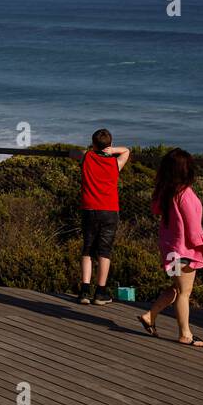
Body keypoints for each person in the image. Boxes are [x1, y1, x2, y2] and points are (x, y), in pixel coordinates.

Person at [139, 148, 203, 347]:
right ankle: (185, 334)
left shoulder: (165, 191)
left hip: (170, 249)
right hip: (184, 252)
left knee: (176, 287)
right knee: (184, 292)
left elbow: (155, 209)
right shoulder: (184, 194)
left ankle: (150, 315)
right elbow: (193, 228)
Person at [78, 128, 130, 305]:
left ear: (93, 144)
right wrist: (114, 150)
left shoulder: (87, 157)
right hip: (109, 210)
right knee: (104, 251)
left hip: (89, 208)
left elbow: (75, 152)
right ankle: (100, 292)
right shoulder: (115, 163)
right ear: (110, 144)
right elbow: (126, 151)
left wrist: (91, 150)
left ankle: (84, 291)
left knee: (87, 249)